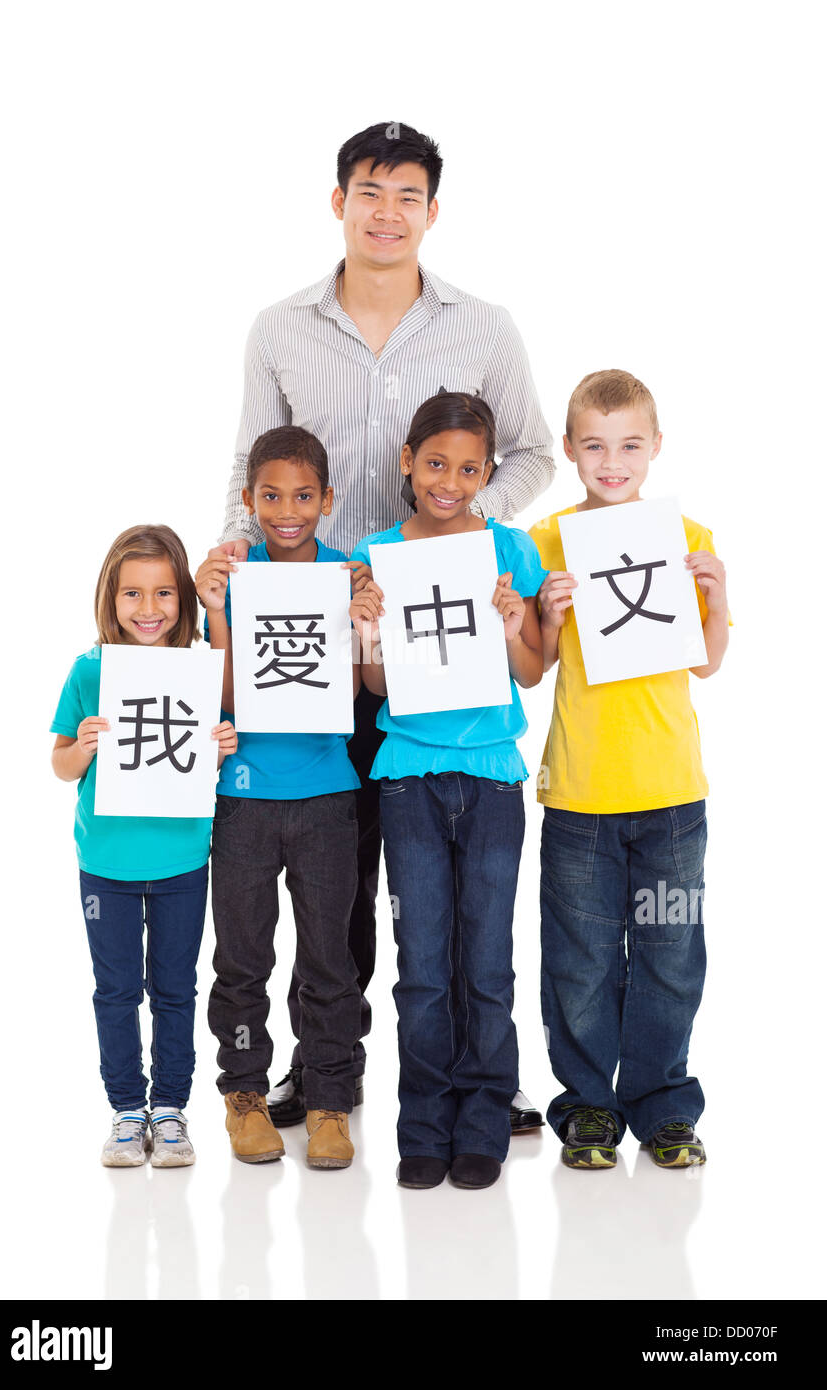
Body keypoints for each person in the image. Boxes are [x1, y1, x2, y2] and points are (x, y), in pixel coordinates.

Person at [217, 120, 554, 1134]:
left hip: (440, 621)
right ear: (338, 201)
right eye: (369, 190)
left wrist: (455, 535)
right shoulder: (279, 328)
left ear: (431, 212)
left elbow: (529, 454)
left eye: (407, 194)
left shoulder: (483, 327)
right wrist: (230, 569)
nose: (386, 210)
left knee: (452, 865)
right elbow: (249, 472)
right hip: (319, 622)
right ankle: (331, 1072)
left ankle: (477, 1070)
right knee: (338, 857)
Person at [531, 369, 730, 1170]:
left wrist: (718, 594)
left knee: (670, 951)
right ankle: (587, 1107)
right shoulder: (547, 541)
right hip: (581, 791)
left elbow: (709, 663)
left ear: (654, 449)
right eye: (595, 446)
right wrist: (546, 615)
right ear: (571, 449)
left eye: (629, 446)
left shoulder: (688, 536)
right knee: (578, 959)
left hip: (672, 794)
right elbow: (531, 668)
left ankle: (664, 1105)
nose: (612, 463)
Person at [349, 393, 547, 1189]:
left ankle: (484, 1118)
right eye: (436, 464)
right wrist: (365, 627)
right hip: (408, 776)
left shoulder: (510, 549)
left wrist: (510, 624)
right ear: (407, 461)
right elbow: (373, 684)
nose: (450, 482)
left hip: (493, 773)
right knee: (423, 961)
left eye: (470, 469)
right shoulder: (378, 553)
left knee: (486, 958)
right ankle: (423, 1125)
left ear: (489, 473)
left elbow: (533, 668)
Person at [197, 426, 363, 1170]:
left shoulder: (347, 573)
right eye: (270, 496)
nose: (286, 511)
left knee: (329, 960)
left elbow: (356, 696)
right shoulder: (233, 578)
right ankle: (244, 1093)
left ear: (328, 500)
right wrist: (222, 614)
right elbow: (224, 696)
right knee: (242, 957)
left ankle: (330, 1100)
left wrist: (364, 621)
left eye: (303, 496)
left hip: (329, 794)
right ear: (248, 500)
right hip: (244, 798)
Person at [50, 525, 237, 1167]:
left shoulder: (196, 668)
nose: (149, 609)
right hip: (106, 863)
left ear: (182, 598)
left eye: (163, 593)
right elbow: (60, 766)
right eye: (133, 593)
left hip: (183, 858)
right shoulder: (90, 669)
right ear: (111, 597)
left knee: (176, 988)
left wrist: (217, 749)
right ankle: (127, 1111)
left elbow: (195, 768)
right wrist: (84, 745)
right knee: (116, 989)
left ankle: (172, 1111)